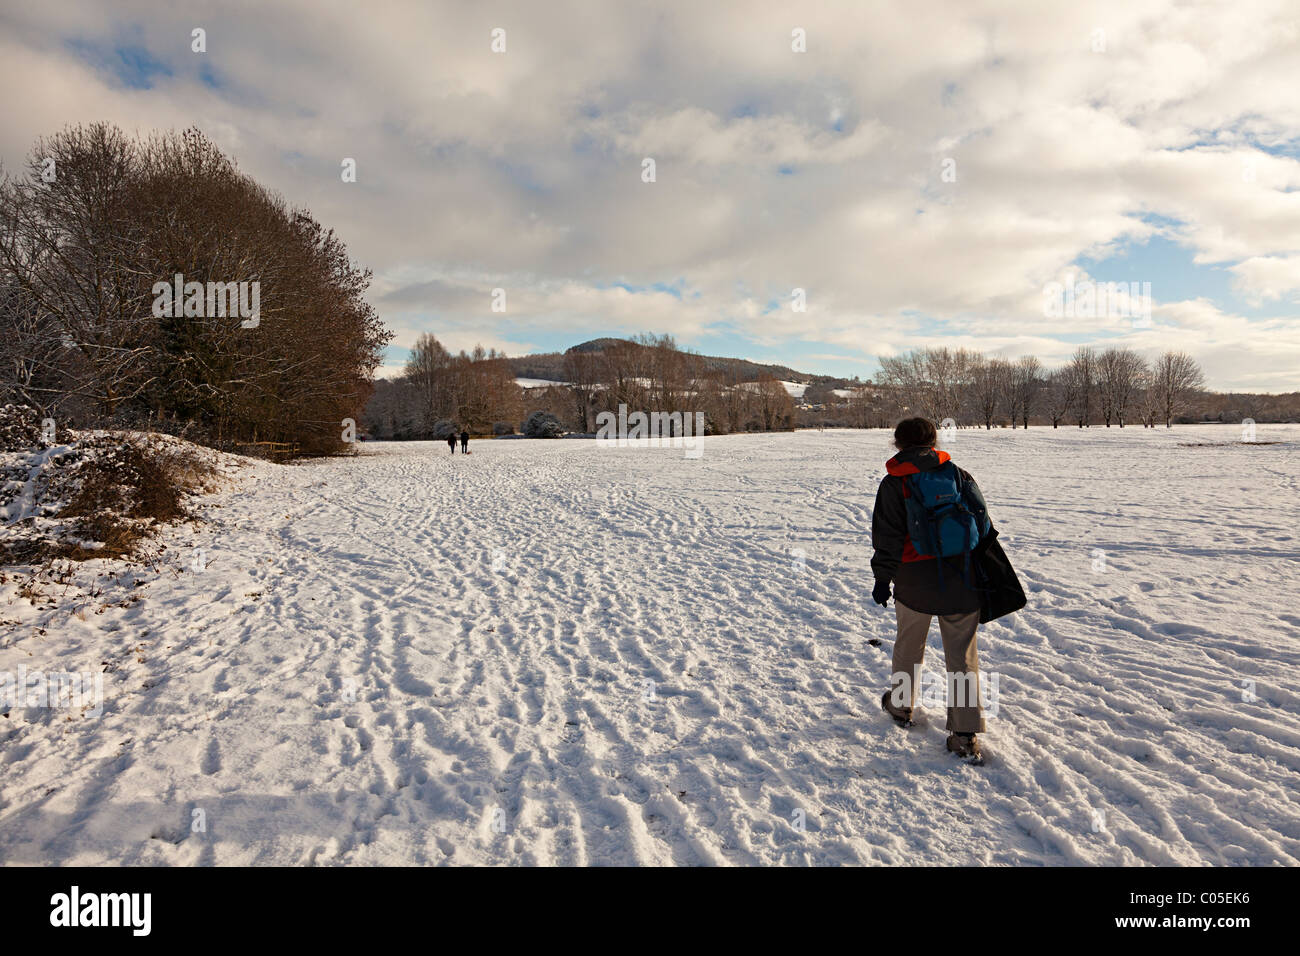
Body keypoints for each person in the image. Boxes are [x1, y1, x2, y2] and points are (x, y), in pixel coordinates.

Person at [871, 417, 992, 764]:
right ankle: (965, 735)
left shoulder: (893, 483)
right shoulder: (957, 475)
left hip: (914, 580)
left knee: (909, 645)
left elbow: (887, 538)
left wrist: (882, 579)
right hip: (961, 578)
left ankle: (901, 706)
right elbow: (982, 523)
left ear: (898, 443)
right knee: (963, 655)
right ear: (934, 441)